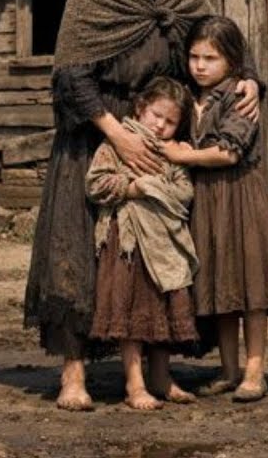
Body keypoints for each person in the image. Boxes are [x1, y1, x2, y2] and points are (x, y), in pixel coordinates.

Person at [23, 0, 261, 411]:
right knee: (78, 255)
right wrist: (118, 133)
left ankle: (156, 372)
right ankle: (74, 376)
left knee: (157, 247)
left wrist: (250, 79)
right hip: (94, 134)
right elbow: (71, 73)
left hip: (156, 128)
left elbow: (216, 41)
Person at [162, 16, 268, 403]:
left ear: (232, 61)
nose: (200, 65)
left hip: (239, 198)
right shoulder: (188, 96)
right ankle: (229, 370)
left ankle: (254, 370)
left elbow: (228, 152)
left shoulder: (240, 97)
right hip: (204, 201)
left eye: (210, 58)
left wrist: (181, 154)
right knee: (219, 284)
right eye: (194, 57)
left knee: (251, 287)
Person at [86, 76, 198, 410]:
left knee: (161, 311)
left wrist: (152, 186)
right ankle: (134, 384)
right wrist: (136, 189)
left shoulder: (172, 154)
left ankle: (162, 377)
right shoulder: (117, 146)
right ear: (140, 108)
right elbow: (96, 184)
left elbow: (185, 192)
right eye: (156, 115)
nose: (161, 125)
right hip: (128, 244)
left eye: (170, 121)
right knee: (133, 313)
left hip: (164, 245)